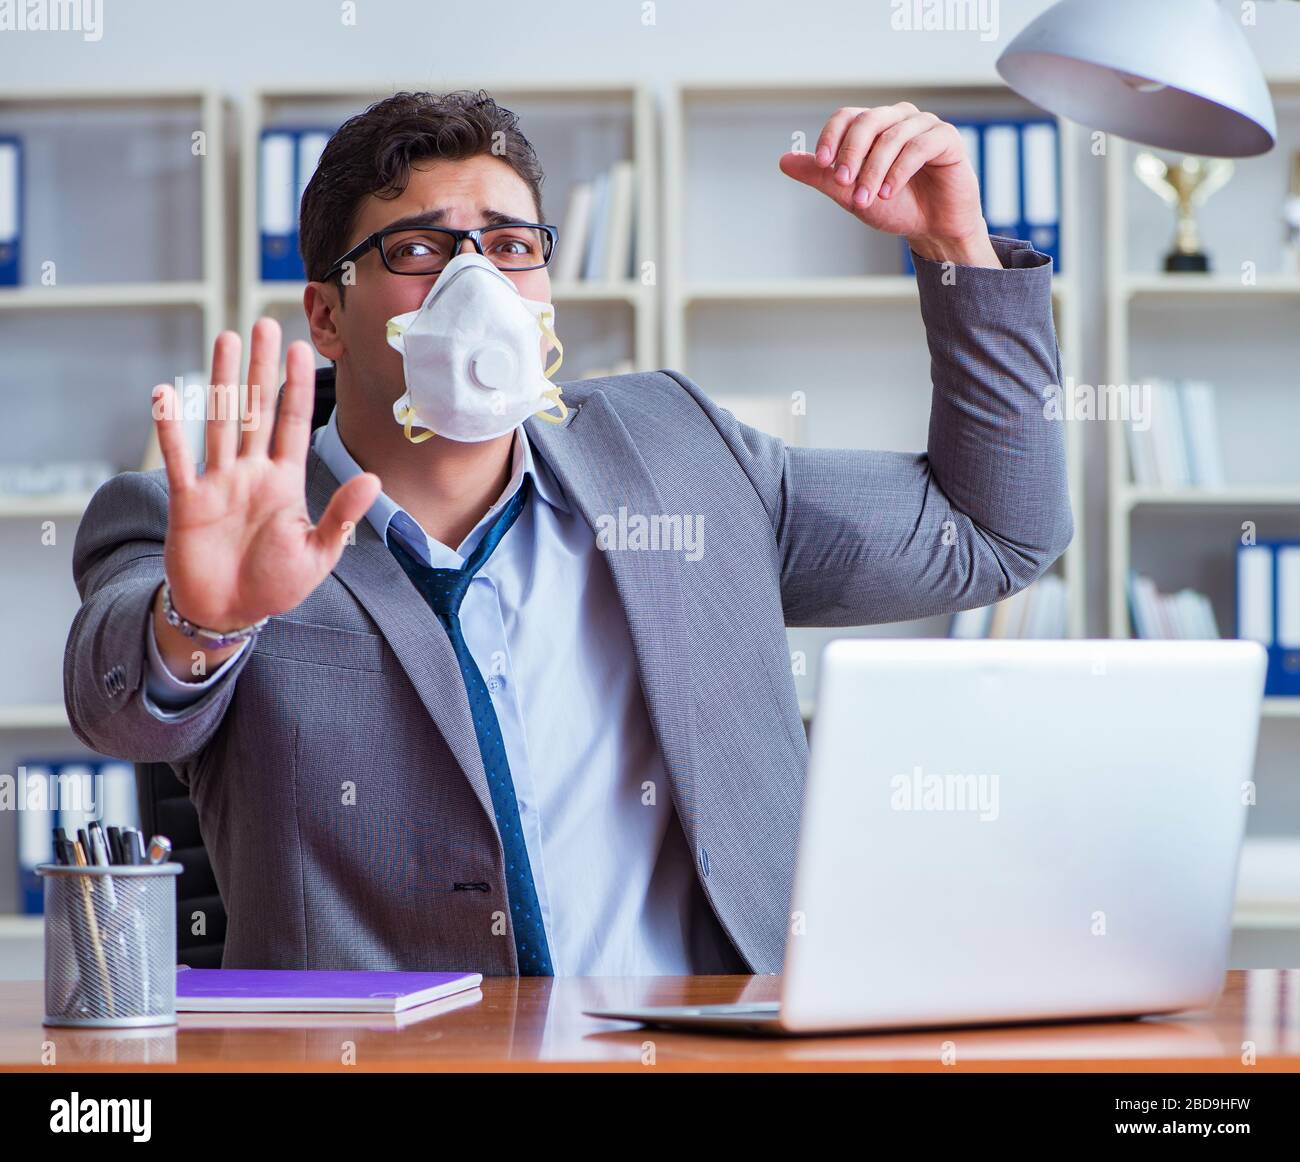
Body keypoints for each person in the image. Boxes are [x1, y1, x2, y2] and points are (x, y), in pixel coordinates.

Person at [65, 89, 1072, 976]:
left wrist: (954, 252)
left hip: (716, 1053)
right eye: (418, 250)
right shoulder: (214, 524)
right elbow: (121, 712)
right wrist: (204, 624)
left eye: (510, 246)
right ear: (326, 316)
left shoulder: (677, 452)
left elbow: (992, 531)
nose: (478, 284)